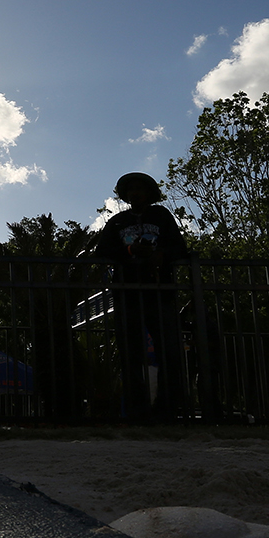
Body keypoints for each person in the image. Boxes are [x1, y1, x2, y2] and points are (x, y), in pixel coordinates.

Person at [89, 172, 191, 420]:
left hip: (161, 292)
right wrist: (129, 250)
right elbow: (101, 253)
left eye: (139, 188)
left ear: (149, 192)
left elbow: (180, 248)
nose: (135, 193)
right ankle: (137, 411)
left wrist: (162, 254)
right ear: (125, 194)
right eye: (130, 189)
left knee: (169, 351)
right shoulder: (117, 222)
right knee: (130, 353)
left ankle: (166, 410)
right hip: (128, 294)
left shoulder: (162, 216)